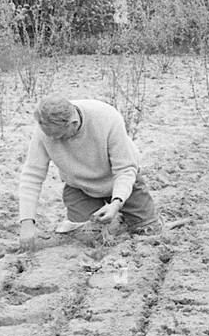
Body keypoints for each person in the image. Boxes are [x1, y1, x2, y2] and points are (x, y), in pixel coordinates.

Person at [17, 96, 161, 249]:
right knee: (87, 238)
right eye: (49, 135)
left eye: (58, 136)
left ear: (74, 123)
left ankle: (123, 214)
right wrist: (27, 223)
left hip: (118, 181)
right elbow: (32, 175)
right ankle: (111, 220)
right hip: (80, 187)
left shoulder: (107, 117)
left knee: (149, 231)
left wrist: (116, 203)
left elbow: (125, 169)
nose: (52, 140)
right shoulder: (45, 129)